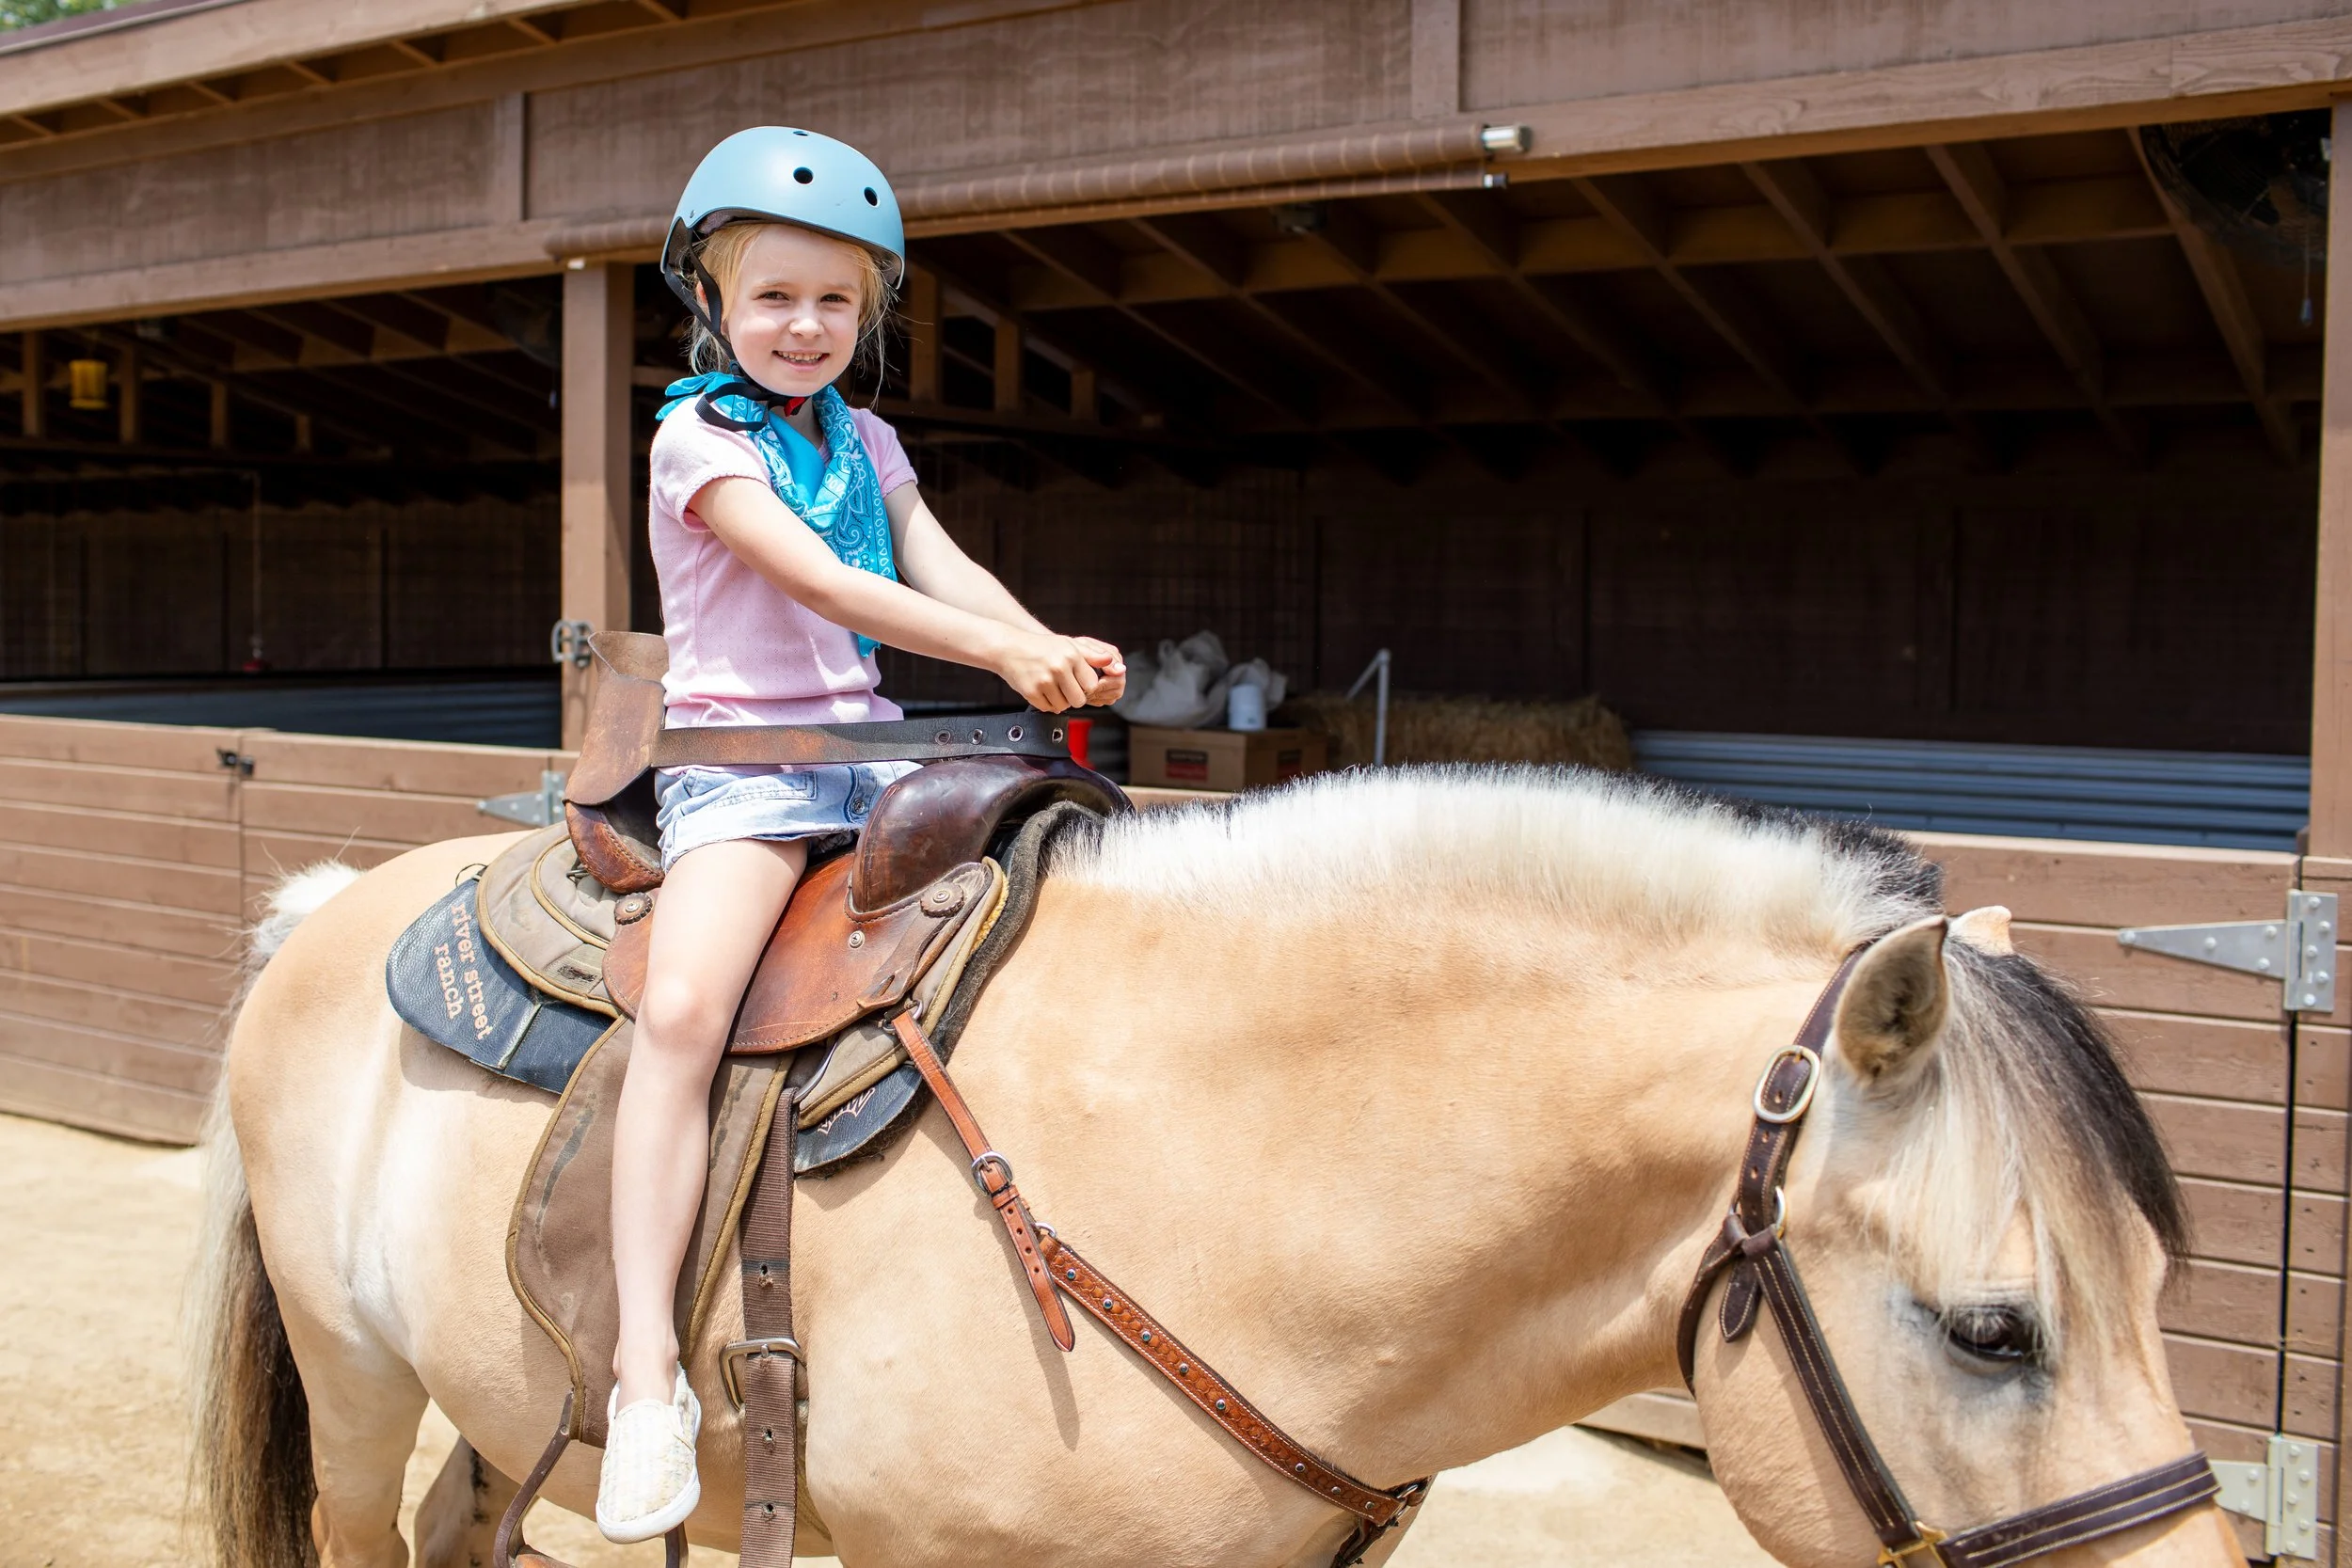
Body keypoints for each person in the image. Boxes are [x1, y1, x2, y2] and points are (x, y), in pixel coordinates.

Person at [596, 126, 1126, 1543]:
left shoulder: (870, 436)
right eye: (775, 295)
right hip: (746, 775)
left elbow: (935, 558)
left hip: (869, 765)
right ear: (712, 295)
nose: (806, 326)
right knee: (690, 1011)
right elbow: (828, 582)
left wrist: (1041, 638)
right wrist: (999, 660)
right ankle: (646, 1363)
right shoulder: (695, 437)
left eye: (837, 302)